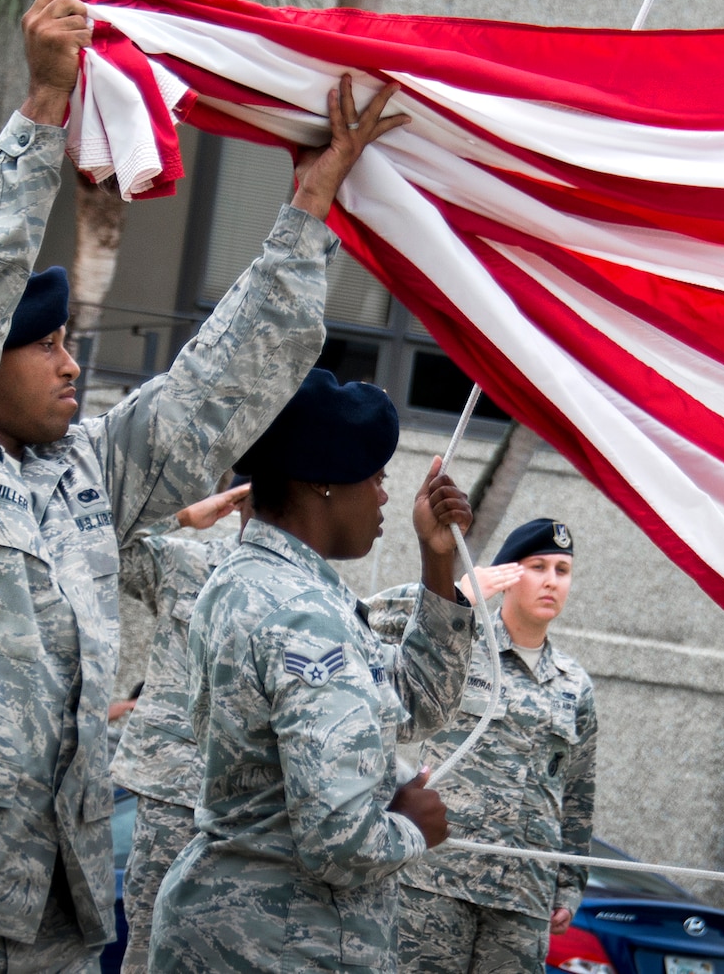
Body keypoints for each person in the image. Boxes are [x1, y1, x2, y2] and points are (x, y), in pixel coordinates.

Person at [0, 0, 403, 972]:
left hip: (55, 909)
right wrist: (45, 103)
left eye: (66, 340)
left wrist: (307, 213)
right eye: (40, 344)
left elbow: (216, 388)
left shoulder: (86, 470)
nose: (68, 361)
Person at [147, 370, 520, 973]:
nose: (383, 497)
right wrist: (410, 825)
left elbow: (415, 699)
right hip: (279, 942)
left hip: (245, 932)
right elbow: (338, 841)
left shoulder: (258, 582)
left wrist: (437, 559)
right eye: (375, 478)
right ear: (323, 482)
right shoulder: (301, 614)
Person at [378, 518, 598, 974]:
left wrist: (568, 883)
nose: (551, 581)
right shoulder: (459, 643)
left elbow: (577, 792)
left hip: (523, 896)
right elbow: (368, 620)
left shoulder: (575, 685)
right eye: (538, 566)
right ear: (507, 574)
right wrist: (456, 597)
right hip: (439, 880)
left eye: (562, 570)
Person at [111, 478, 252, 974]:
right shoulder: (186, 563)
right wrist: (181, 516)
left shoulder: (324, 594)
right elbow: (86, 542)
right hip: (173, 791)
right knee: (149, 953)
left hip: (256, 812)